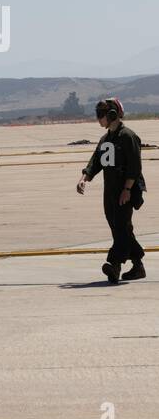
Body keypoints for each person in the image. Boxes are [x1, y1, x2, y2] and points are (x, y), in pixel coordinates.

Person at [77, 98, 145, 283]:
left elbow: (134, 167)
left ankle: (114, 265)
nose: (98, 119)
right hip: (110, 191)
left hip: (126, 190)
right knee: (119, 228)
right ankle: (138, 266)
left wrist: (127, 189)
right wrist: (84, 178)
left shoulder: (128, 136)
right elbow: (96, 162)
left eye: (101, 115)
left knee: (121, 227)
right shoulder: (106, 139)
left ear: (112, 115)